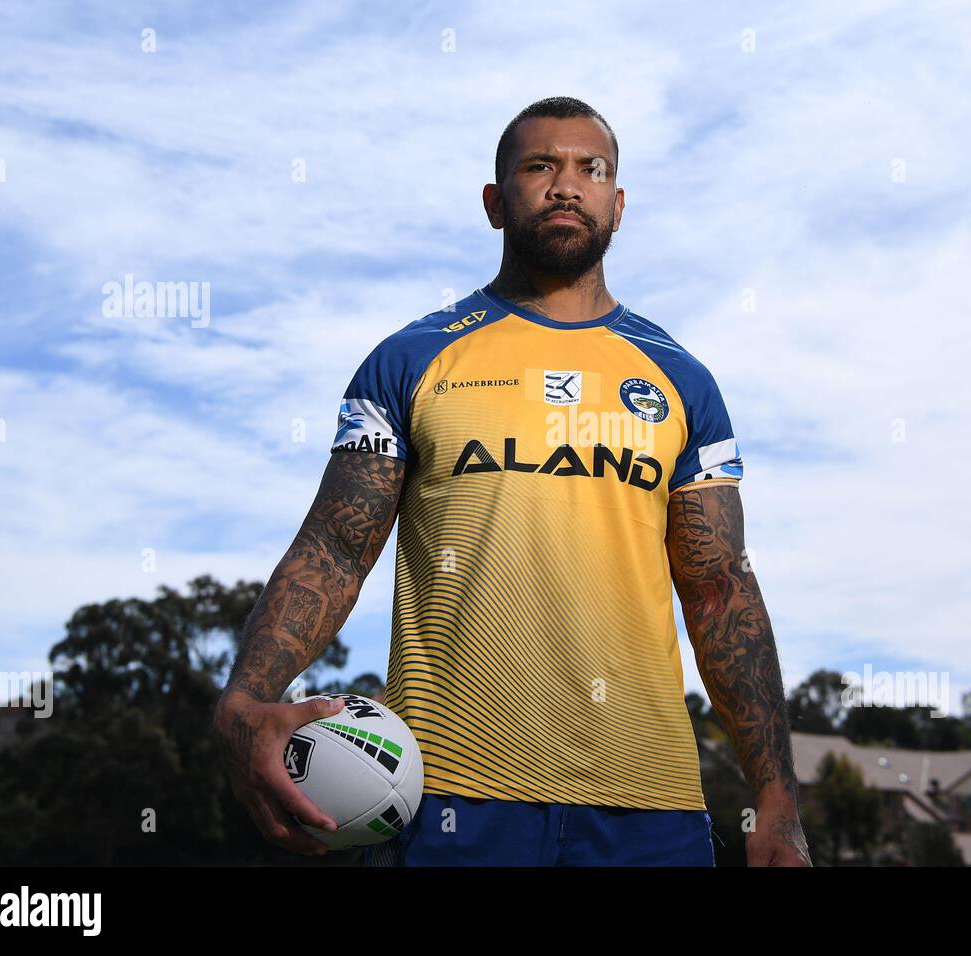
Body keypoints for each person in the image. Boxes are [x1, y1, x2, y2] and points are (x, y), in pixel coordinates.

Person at [213, 96, 810, 867]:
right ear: (496, 203)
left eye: (590, 170)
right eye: (540, 166)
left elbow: (719, 587)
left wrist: (776, 793)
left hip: (651, 810)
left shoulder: (683, 382)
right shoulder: (410, 359)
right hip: (451, 803)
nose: (567, 185)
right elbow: (335, 545)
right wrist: (244, 699)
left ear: (618, 205)